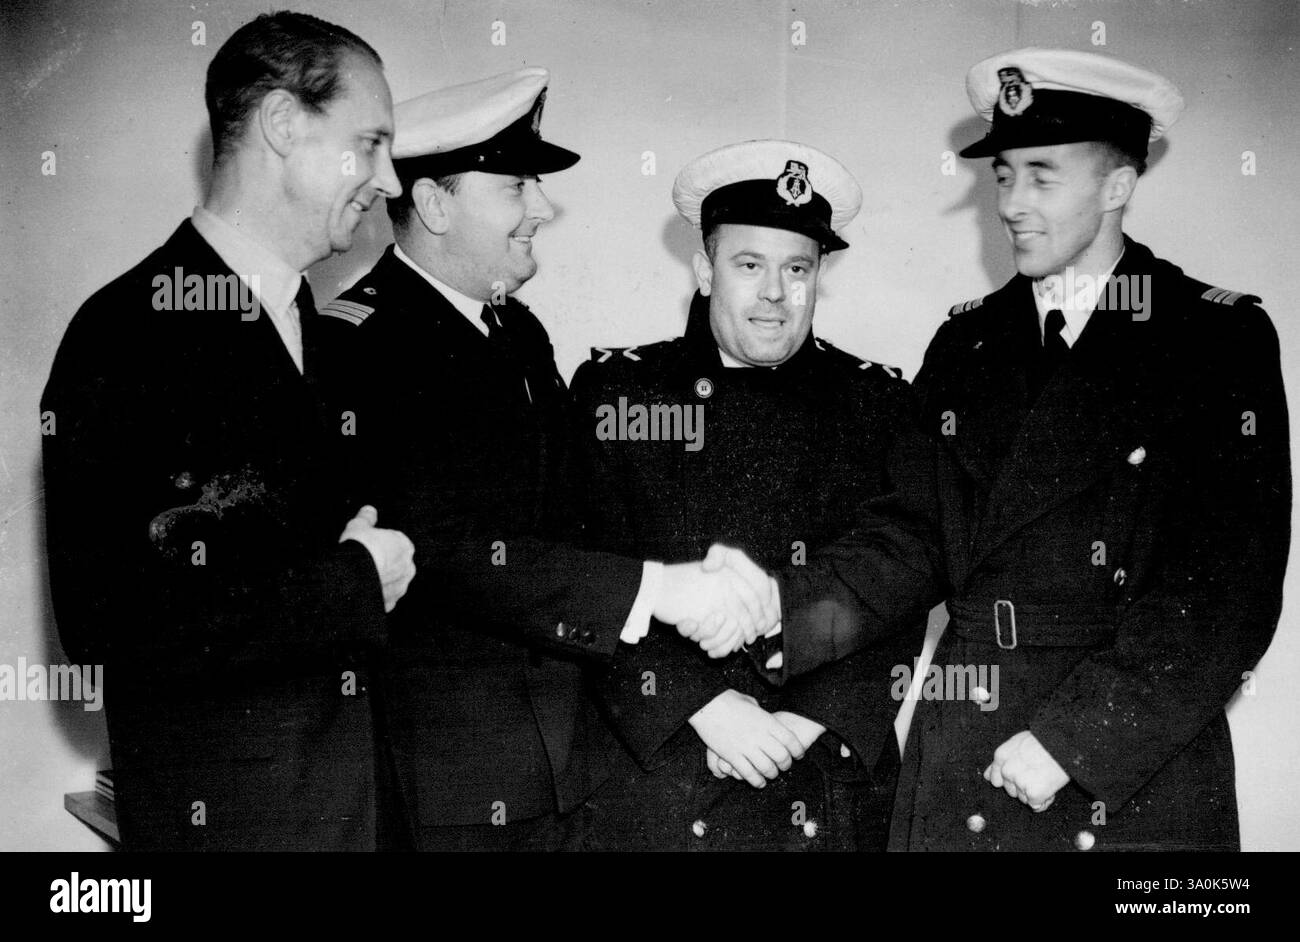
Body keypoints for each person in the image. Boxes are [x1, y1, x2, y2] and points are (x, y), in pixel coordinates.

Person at [711, 48, 1290, 851]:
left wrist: (1077, 743)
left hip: (1123, 766)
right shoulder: (968, 342)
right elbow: (910, 537)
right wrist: (784, 606)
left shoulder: (1212, 339)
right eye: (1004, 175)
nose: (1013, 203)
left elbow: (1227, 593)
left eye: (1043, 176)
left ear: (1118, 185)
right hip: (968, 737)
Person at [316, 69, 777, 851]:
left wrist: (703, 583)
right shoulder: (359, 344)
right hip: (446, 786)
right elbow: (442, 547)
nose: (541, 208)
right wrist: (659, 589)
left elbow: (579, 513)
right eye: (517, 186)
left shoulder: (514, 333)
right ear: (433, 203)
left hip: (565, 762)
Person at [40, 11, 417, 850]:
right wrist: (354, 579)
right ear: (284, 124)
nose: (388, 179)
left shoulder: (312, 327)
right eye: (372, 142)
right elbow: (111, 623)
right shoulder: (126, 333)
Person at [570, 141, 924, 850]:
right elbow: (581, 575)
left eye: (798, 268)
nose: (775, 292)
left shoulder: (879, 404)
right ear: (704, 269)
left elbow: (909, 572)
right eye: (749, 264)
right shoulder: (619, 395)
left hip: (826, 775)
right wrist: (692, 703)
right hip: (662, 772)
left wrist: (807, 720)